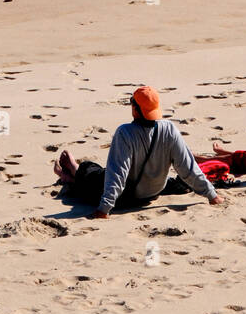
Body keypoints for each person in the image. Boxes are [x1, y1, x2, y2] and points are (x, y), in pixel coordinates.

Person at [54, 85, 225, 218]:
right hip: (153, 192)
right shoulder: (170, 129)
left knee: (93, 172)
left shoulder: (125, 133)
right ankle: (71, 175)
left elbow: (118, 175)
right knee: (100, 174)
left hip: (129, 196)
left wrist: (104, 209)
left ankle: (73, 173)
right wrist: (212, 195)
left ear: (135, 109)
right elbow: (188, 168)